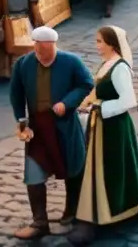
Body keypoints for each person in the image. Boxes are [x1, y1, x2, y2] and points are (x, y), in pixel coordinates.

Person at [10, 26, 94, 240]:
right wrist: (21, 120)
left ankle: (72, 213)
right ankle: (40, 223)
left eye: (45, 51)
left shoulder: (71, 61)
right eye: (37, 50)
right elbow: (16, 93)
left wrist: (67, 103)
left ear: (53, 46)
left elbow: (86, 83)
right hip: (37, 127)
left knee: (72, 168)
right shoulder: (23, 64)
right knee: (33, 172)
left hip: (64, 125)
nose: (40, 55)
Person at [70, 27, 138, 243]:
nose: (97, 46)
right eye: (96, 41)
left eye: (100, 42)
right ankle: (94, 213)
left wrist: (100, 108)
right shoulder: (107, 63)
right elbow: (99, 90)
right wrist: (85, 102)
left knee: (111, 169)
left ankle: (111, 213)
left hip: (114, 128)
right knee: (102, 169)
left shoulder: (120, 68)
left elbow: (129, 101)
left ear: (112, 43)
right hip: (102, 126)